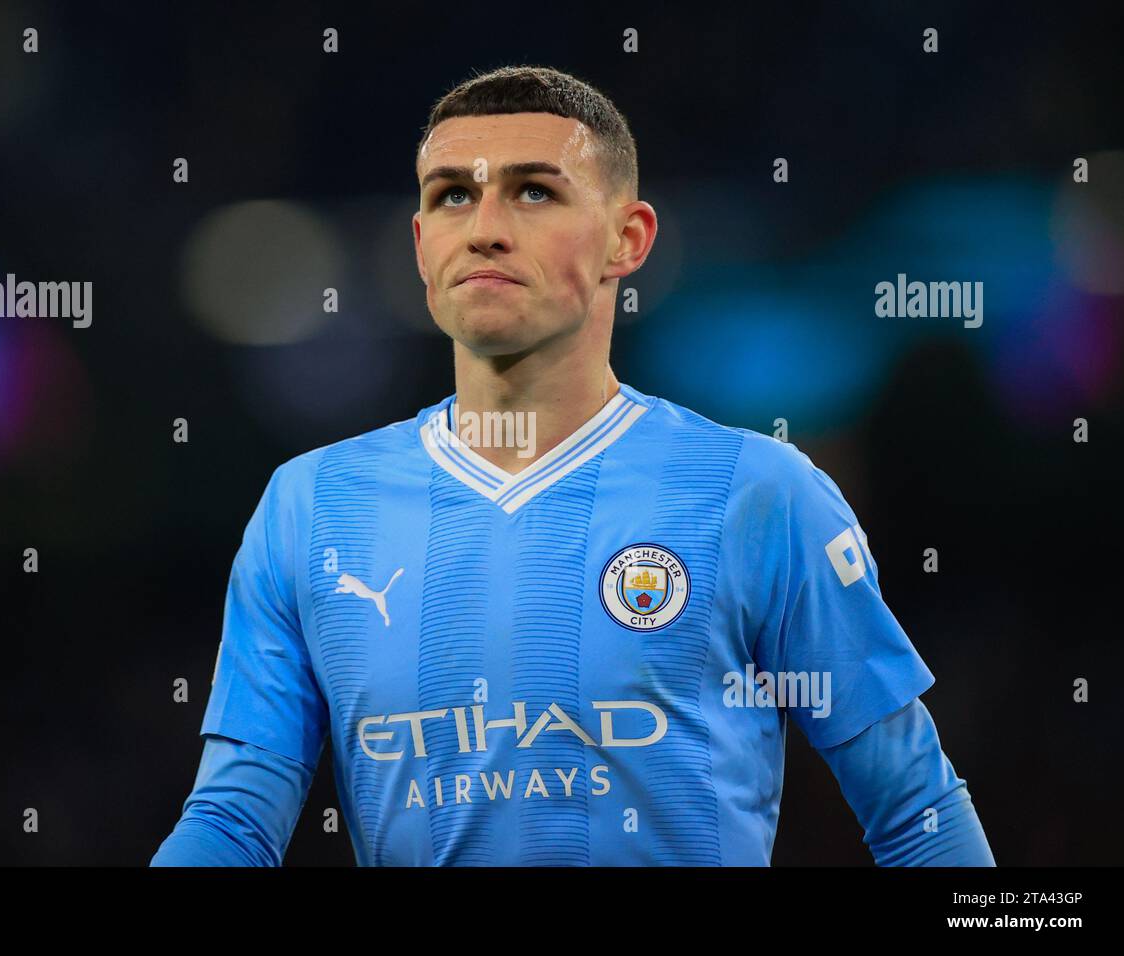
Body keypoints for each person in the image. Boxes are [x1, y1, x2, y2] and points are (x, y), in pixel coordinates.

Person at [151, 65, 994, 866]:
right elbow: (233, 818)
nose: (484, 226)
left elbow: (915, 809)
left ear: (628, 239)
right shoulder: (311, 505)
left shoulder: (758, 494)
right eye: (452, 195)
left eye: (533, 191)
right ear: (419, 245)